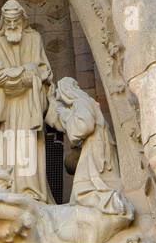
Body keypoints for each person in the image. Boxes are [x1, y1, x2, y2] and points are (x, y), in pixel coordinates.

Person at [0, 0, 52, 201]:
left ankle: (30, 190)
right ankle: (4, 185)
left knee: (27, 144)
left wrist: (33, 74)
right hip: (6, 105)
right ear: (3, 21)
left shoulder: (34, 38)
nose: (11, 26)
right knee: (5, 143)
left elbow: (44, 69)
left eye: (15, 21)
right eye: (8, 22)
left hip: (28, 102)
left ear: (23, 19)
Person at [45, 77, 128, 214]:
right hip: (95, 145)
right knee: (85, 187)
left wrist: (65, 114)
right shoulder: (85, 102)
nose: (61, 98)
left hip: (95, 147)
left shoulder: (81, 102)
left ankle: (111, 205)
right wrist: (58, 109)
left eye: (61, 94)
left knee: (86, 188)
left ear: (67, 92)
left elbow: (84, 127)